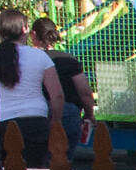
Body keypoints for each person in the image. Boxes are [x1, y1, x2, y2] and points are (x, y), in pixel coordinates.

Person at [0, 9, 63, 168]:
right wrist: (55, 122)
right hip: (35, 120)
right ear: (25, 29)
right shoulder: (40, 56)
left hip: (0, 120)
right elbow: (57, 96)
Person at [30, 17, 94, 160]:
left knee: (39, 161)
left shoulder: (30, 60)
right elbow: (84, 92)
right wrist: (89, 114)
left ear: (33, 35)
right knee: (64, 161)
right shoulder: (68, 60)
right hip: (69, 111)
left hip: (37, 112)